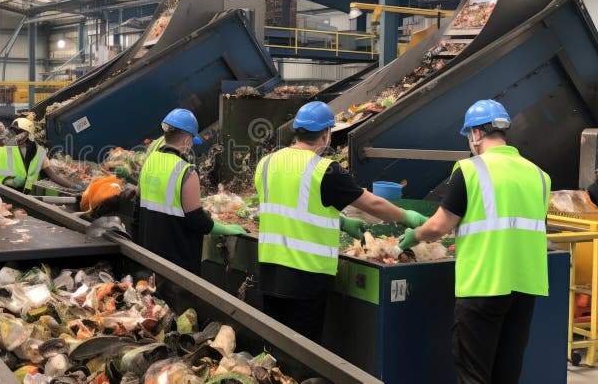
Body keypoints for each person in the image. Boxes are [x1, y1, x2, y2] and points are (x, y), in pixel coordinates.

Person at [397, 99, 550, 384]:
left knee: (474, 374)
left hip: (484, 285)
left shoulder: (470, 170)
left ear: (476, 134)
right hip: (525, 289)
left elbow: (440, 226)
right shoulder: (539, 175)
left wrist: (413, 235)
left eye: (469, 135)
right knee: (506, 372)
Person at [254, 101, 427, 343]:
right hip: (306, 275)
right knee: (304, 351)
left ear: (297, 130)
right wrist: (406, 216)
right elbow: (373, 204)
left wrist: (342, 222)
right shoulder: (325, 170)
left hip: (270, 270)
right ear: (326, 135)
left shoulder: (266, 163)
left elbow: (291, 204)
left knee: (275, 347)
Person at [138, 108, 246, 275]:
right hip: (177, 260)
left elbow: (138, 204)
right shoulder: (186, 171)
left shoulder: (149, 162)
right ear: (188, 140)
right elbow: (197, 220)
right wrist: (226, 229)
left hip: (150, 253)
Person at [0, 118, 82, 192]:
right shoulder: (4, 150)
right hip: (8, 192)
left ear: (28, 134)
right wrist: (11, 181)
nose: (16, 134)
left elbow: (52, 175)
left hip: (28, 195)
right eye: (15, 131)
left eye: (20, 131)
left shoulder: (39, 152)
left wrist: (72, 186)